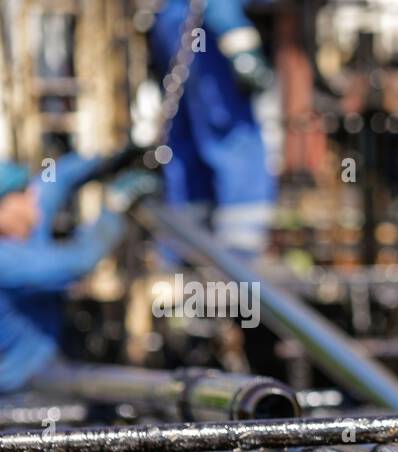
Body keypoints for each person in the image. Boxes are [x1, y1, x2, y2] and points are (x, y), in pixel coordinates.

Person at [0, 157, 157, 392]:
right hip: (23, 387)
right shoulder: (7, 261)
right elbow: (80, 260)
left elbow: (56, 180)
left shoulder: (24, 231)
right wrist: (113, 208)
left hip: (50, 367)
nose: (33, 197)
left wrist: (108, 157)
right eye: (22, 193)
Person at [148, 0, 276, 254]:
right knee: (229, 130)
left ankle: (185, 246)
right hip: (206, 25)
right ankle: (239, 255)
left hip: (178, 21)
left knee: (184, 137)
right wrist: (237, 36)